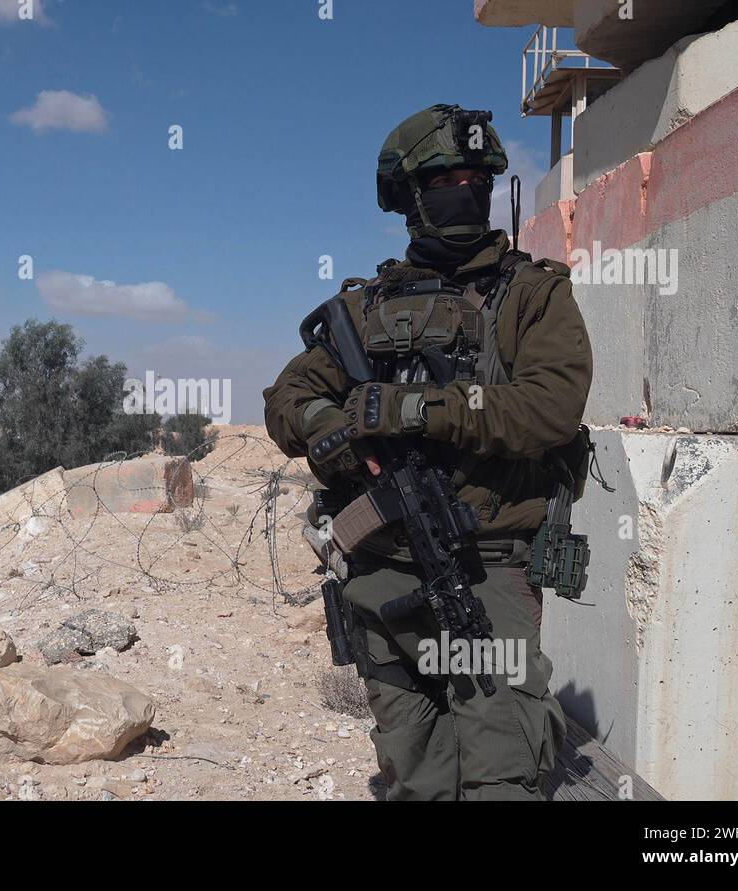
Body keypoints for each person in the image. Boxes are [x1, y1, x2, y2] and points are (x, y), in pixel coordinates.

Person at [263, 105, 594, 801]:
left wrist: (418, 409)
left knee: (500, 778)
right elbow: (288, 399)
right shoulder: (362, 309)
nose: (465, 187)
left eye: (478, 175)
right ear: (409, 196)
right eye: (446, 176)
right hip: (381, 576)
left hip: (487, 572)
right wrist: (342, 430)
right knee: (415, 777)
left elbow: (551, 407)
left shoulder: (533, 295)